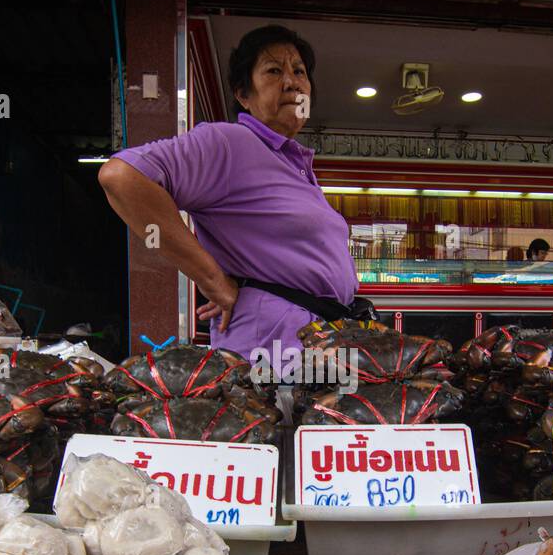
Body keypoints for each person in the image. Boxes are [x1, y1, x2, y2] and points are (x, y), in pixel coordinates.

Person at [99, 25, 359, 360]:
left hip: (316, 346)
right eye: (274, 71)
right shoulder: (230, 142)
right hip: (273, 352)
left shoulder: (294, 164)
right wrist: (211, 279)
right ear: (242, 95)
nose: (292, 82)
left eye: (299, 71)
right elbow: (122, 176)